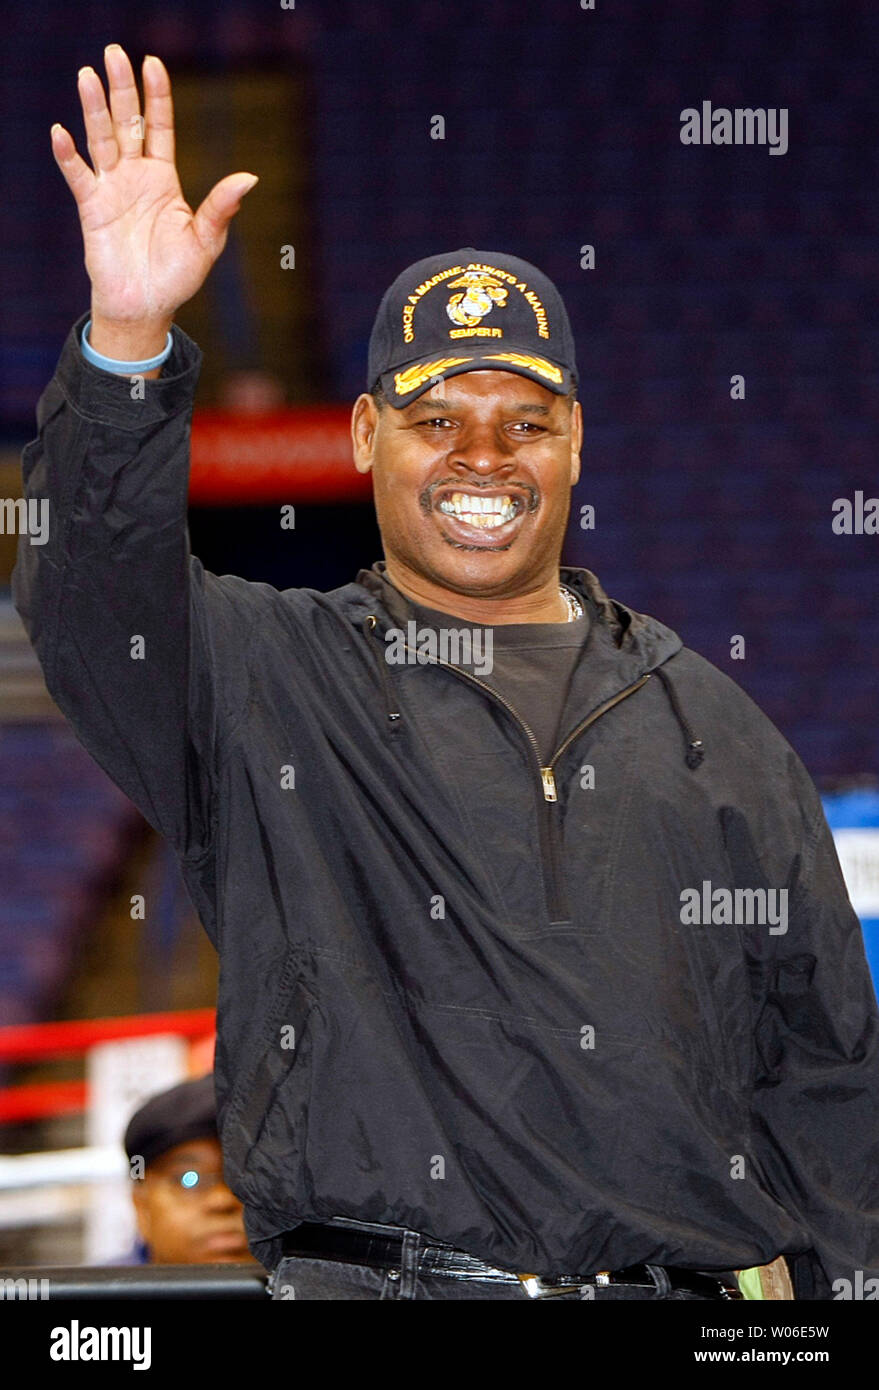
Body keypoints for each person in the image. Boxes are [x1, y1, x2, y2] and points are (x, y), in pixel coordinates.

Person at [13, 45, 879, 1301]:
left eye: (524, 421)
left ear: (576, 439)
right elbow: (90, 599)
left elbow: (831, 1085)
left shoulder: (717, 726)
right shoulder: (265, 679)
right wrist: (130, 340)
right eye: (435, 420)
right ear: (366, 437)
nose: (484, 458)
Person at [120, 1075, 259, 1266]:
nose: (222, 1200)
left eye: (250, 1177)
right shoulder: (87, 1293)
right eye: (189, 1179)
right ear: (141, 1207)